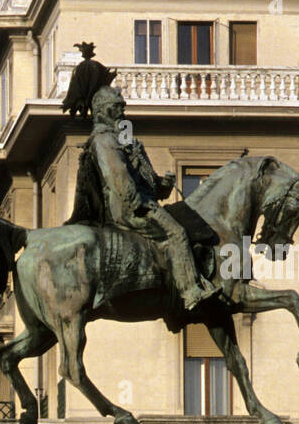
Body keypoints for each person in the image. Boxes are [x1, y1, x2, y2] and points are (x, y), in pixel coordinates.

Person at [67, 85, 222, 313]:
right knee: (177, 233)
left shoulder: (122, 139)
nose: (121, 112)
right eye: (115, 108)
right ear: (101, 111)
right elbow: (118, 178)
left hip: (138, 201)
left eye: (122, 107)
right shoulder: (104, 141)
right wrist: (138, 202)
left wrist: (162, 185)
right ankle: (190, 291)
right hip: (128, 208)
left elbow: (144, 181)